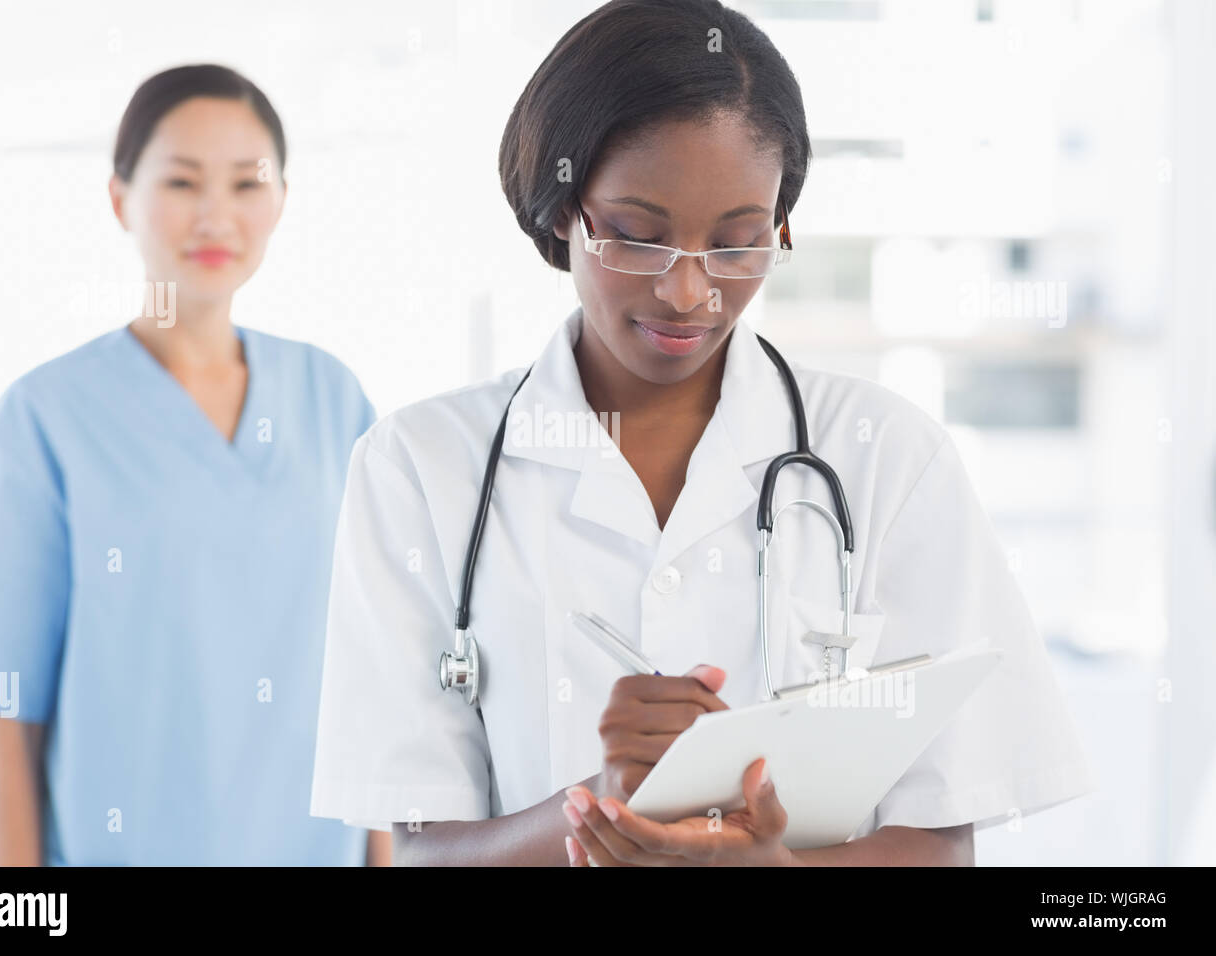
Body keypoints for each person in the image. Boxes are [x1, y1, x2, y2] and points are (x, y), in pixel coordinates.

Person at [309, 0, 1093, 866]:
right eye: (640, 239)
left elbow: (940, 841)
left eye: (738, 244)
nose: (690, 294)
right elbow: (423, 853)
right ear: (564, 210)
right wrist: (608, 805)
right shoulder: (419, 468)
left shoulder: (886, 457)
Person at [0, 64, 386, 866]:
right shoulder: (45, 420)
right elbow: (9, 721)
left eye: (248, 183)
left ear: (281, 200)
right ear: (120, 199)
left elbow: (373, 684)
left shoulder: (332, 398)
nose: (216, 214)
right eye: (181, 181)